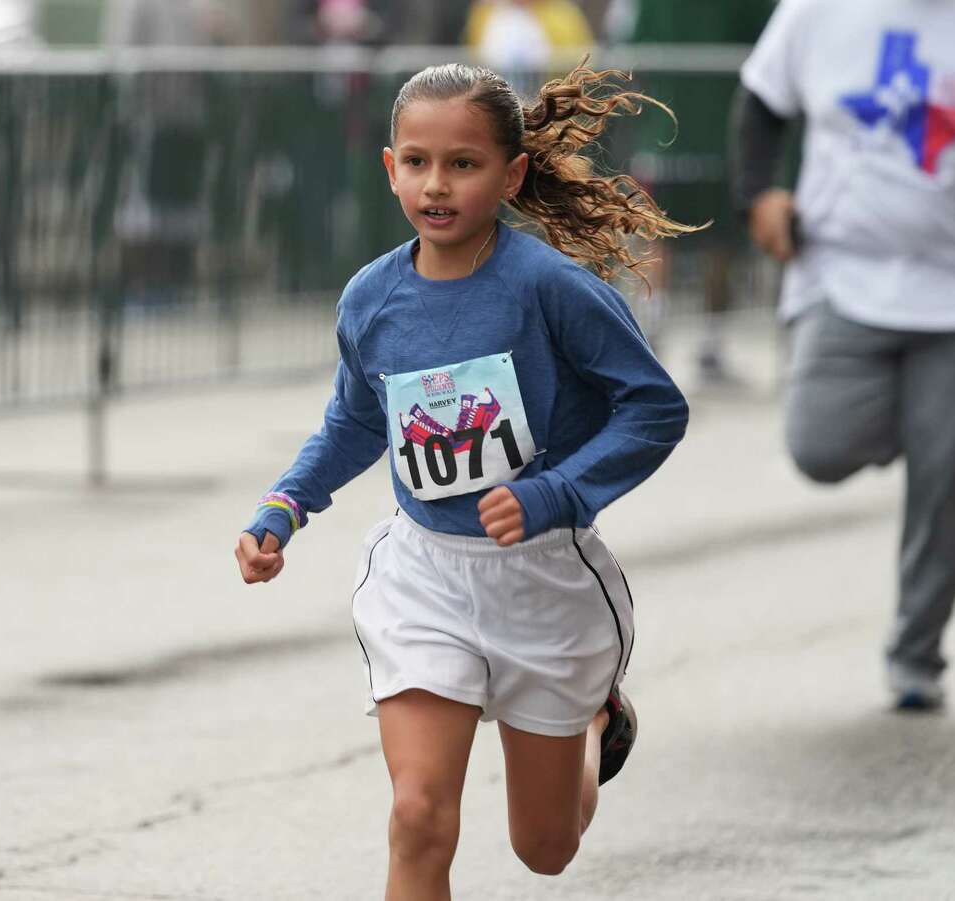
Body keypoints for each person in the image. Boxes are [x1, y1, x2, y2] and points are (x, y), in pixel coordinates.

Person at [234, 62, 692, 896]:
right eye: (416, 162)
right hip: (426, 578)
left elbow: (655, 409)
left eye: (463, 164)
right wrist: (285, 503)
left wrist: (555, 493)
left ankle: (596, 719)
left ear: (511, 174)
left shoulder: (552, 290)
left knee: (545, 847)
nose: (435, 185)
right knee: (418, 813)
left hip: (544, 579)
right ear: (389, 167)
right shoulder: (372, 298)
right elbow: (356, 418)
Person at [733, 0, 955, 710]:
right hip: (842, 271)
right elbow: (761, 103)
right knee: (817, 445)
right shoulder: (820, 8)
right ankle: (915, 421)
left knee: (948, 472)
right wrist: (758, 195)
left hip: (953, 291)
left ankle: (914, 652)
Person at [605, 0, 775, 385]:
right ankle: (667, 337)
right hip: (691, 136)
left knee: (682, 239)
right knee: (687, 239)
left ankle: (684, 340)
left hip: (697, 136)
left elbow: (625, 46)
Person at [464, 0, 593, 72]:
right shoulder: (485, 12)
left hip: (549, 102)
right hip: (495, 102)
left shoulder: (562, 12)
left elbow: (582, 57)